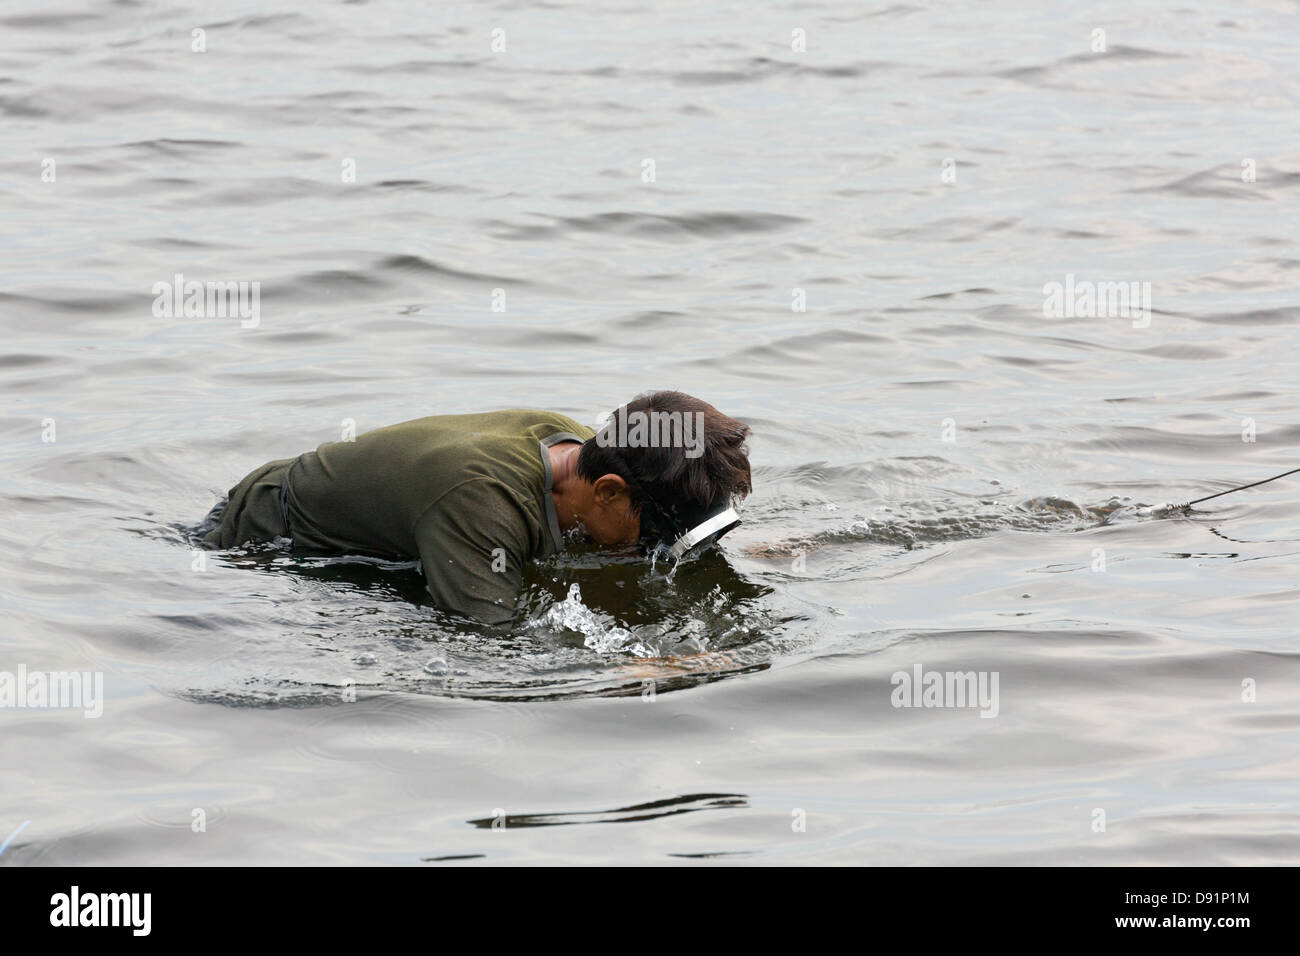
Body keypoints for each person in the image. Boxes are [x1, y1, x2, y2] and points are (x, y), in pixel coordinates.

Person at [199, 390, 752, 624]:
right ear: (608, 490)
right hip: (264, 542)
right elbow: (488, 637)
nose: (649, 549)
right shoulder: (480, 501)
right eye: (654, 533)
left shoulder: (595, 452)